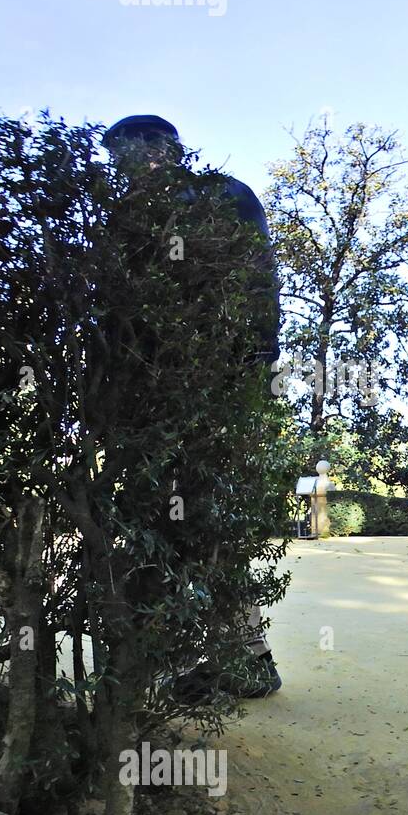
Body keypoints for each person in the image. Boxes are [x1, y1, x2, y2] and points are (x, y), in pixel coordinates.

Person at [103, 113, 281, 699]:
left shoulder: (218, 195)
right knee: (163, 524)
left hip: (211, 386)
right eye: (114, 157)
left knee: (203, 522)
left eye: (127, 151)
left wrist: (250, 366)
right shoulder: (125, 216)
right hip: (147, 401)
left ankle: (243, 659)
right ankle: (225, 657)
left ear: (162, 149)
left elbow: (258, 278)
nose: (120, 165)